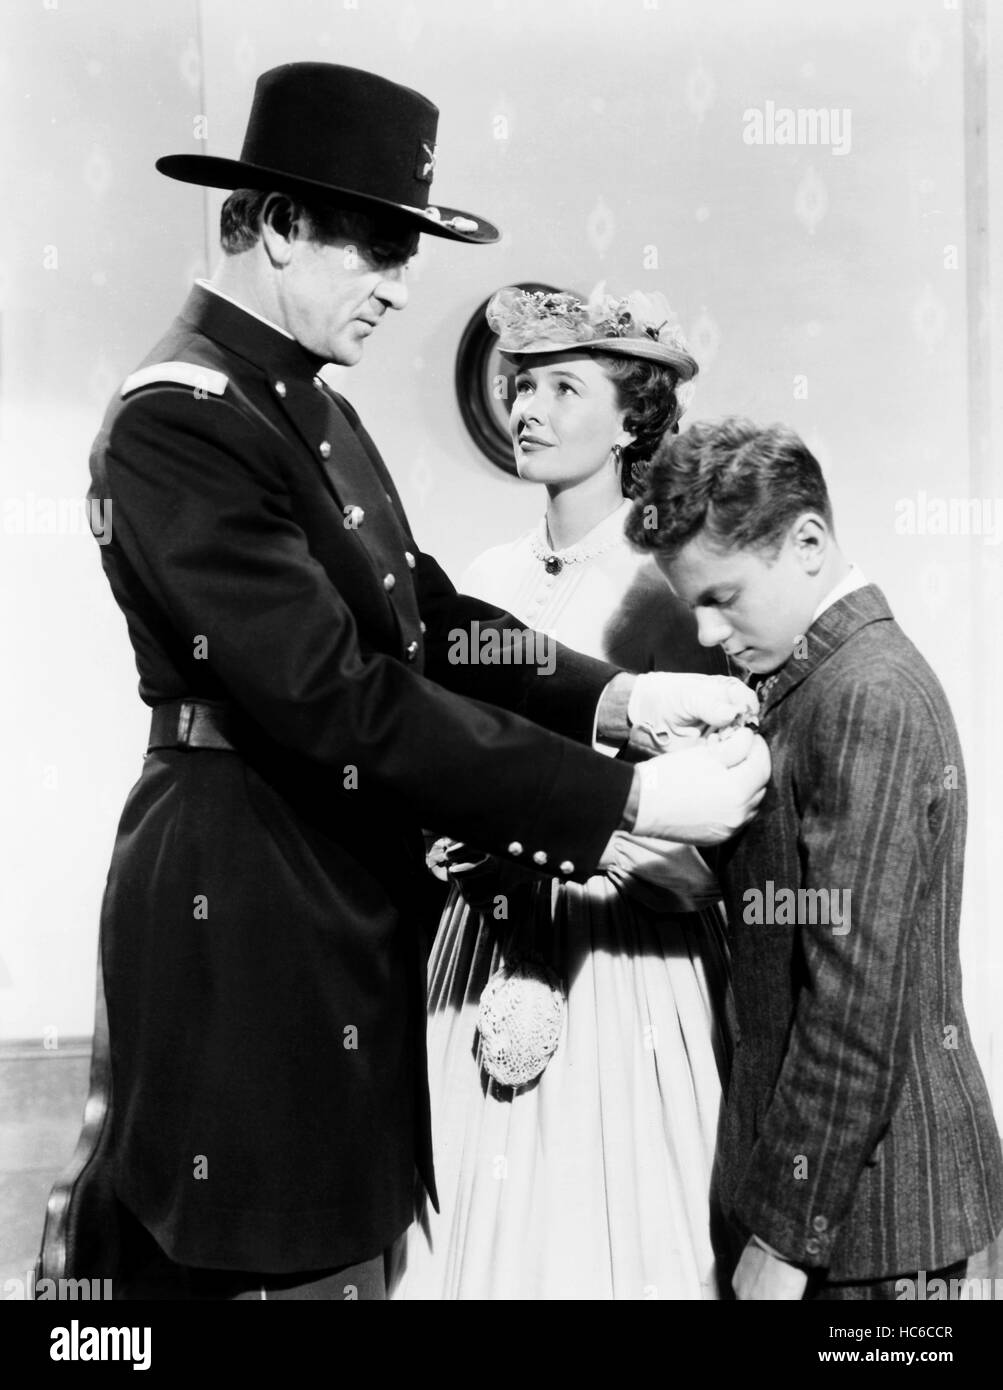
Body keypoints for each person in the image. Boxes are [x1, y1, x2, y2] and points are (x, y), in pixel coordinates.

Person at [85, 64, 770, 1300]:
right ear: (280, 225)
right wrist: (623, 803)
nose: (404, 288)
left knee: (355, 1259)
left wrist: (614, 702)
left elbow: (433, 619)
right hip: (248, 894)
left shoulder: (304, 407)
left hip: (332, 883)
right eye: (381, 249)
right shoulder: (182, 418)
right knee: (267, 1261)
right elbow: (340, 695)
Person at [394, 286, 744, 1300]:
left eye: (559, 387)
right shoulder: (485, 578)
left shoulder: (670, 590)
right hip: (480, 946)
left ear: (633, 417)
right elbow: (433, 751)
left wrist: (572, 834)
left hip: (624, 960)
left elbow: (713, 837)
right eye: (519, 385)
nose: (525, 410)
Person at [627, 418, 1003, 1300]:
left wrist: (785, 1239)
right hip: (848, 1206)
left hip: (878, 1223)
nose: (709, 632)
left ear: (806, 543)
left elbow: (854, 1003)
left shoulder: (864, 692)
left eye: (723, 596)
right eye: (693, 607)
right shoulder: (815, 681)